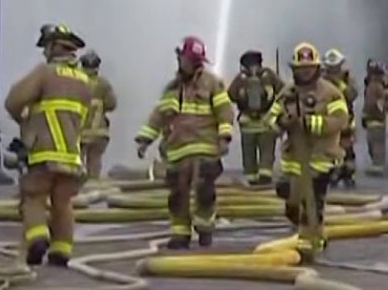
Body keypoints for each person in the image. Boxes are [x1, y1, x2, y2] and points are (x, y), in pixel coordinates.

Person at [4, 23, 92, 266]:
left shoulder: (45, 73)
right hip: (71, 157)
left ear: (55, 47)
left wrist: (23, 121)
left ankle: (37, 239)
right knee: (63, 203)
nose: (44, 52)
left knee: (33, 198)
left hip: (43, 153)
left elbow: (13, 101)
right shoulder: (85, 81)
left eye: (46, 47)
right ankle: (61, 251)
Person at [134, 36, 234, 249]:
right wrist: (144, 140)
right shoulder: (171, 89)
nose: (191, 64)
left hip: (205, 148)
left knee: (204, 191)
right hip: (177, 151)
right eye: (188, 59)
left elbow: (224, 112)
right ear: (180, 58)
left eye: (196, 61)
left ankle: (205, 227)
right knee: (177, 195)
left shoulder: (212, 83)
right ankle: (180, 234)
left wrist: (224, 137)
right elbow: (158, 117)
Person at [266, 42, 350, 256]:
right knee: (290, 200)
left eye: (309, 68)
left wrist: (310, 124)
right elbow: (271, 118)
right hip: (294, 159)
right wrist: (281, 122)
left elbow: (340, 120)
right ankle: (315, 232)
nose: (305, 72)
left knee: (312, 201)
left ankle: (309, 242)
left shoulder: (330, 93)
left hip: (321, 159)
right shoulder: (287, 92)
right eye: (301, 68)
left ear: (317, 69)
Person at [228, 49, 283, 185]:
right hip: (267, 121)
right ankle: (265, 175)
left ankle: (251, 178)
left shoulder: (240, 78)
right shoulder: (269, 75)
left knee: (248, 153)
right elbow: (283, 91)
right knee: (266, 151)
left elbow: (231, 95)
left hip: (247, 123)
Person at [322, 48, 359, 188]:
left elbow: (352, 95)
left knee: (347, 150)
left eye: (335, 67)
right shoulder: (320, 80)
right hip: (328, 120)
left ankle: (348, 174)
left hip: (346, 121)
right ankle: (333, 173)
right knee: (330, 149)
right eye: (330, 68)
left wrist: (339, 84)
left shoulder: (347, 79)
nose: (333, 70)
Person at [78, 49, 117, 181]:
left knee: (76, 162)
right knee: (94, 162)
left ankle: (78, 187)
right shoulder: (103, 84)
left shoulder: (75, 81)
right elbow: (112, 104)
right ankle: (93, 185)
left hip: (78, 131)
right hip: (99, 132)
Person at [360, 60, 388, 175]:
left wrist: (366, 114)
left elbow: (371, 104)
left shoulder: (373, 87)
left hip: (375, 120)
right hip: (376, 119)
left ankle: (378, 165)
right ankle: (377, 164)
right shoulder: (378, 86)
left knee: (376, 143)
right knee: (374, 142)